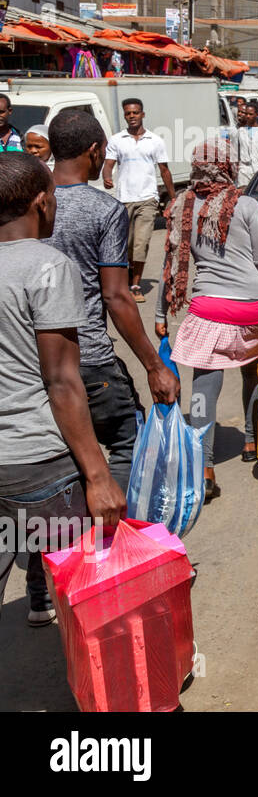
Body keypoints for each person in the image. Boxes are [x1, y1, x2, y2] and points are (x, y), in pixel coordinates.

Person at [0, 151, 123, 629]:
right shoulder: (49, 266)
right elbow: (62, 380)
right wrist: (98, 476)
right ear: (41, 202)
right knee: (81, 601)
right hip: (39, 466)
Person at [47, 110, 180, 490]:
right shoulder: (103, 209)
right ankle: (113, 537)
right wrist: (154, 366)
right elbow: (115, 295)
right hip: (88, 359)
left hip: (29, 360)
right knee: (129, 443)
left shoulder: (26, 202)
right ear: (93, 151)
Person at [157, 140, 258, 498]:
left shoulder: (179, 207)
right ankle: (251, 443)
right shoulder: (245, 204)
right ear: (228, 166)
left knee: (205, 386)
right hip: (254, 308)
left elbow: (171, 267)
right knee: (252, 367)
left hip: (209, 309)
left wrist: (161, 314)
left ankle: (205, 469)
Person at [103, 98, 175, 304]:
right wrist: (106, 176)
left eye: (135, 113)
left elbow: (164, 170)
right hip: (124, 199)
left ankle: (135, 285)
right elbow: (108, 164)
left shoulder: (155, 141)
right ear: (124, 116)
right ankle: (125, 278)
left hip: (147, 199)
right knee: (126, 244)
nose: (132, 116)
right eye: (128, 113)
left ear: (143, 114)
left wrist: (173, 199)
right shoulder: (117, 140)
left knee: (141, 244)